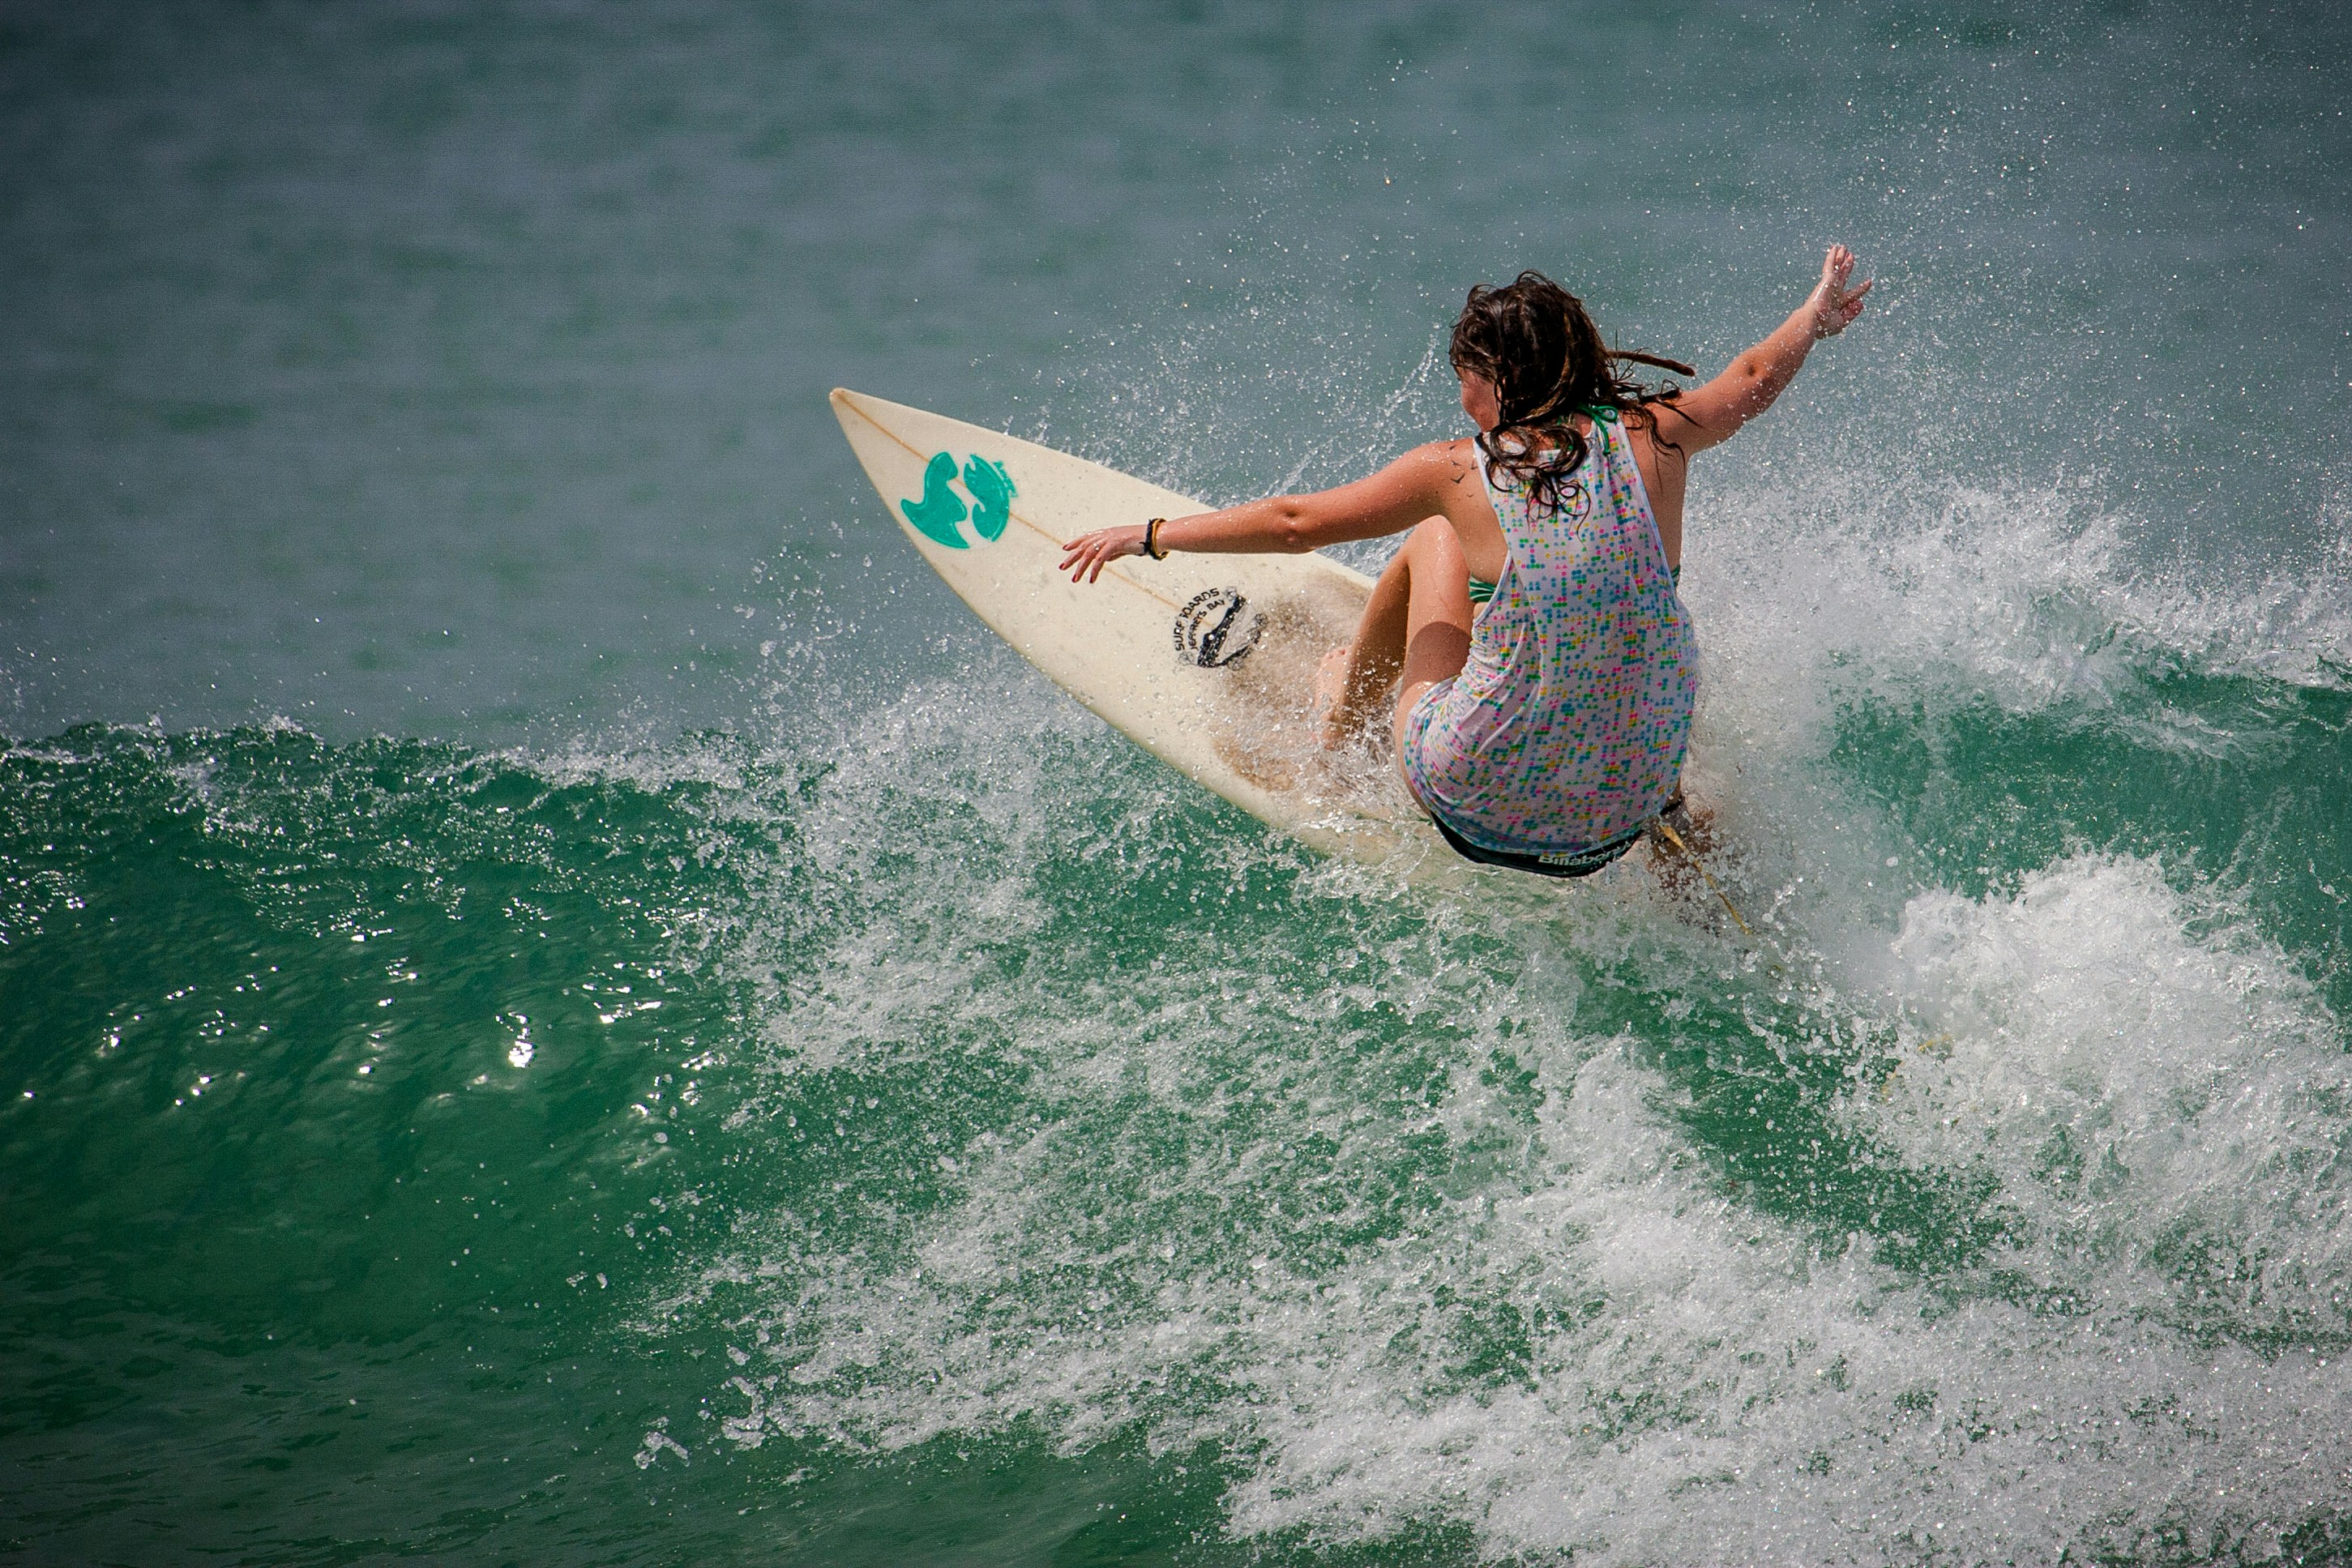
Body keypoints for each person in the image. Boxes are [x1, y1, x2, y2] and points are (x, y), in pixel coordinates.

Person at [1061, 246, 1871, 878]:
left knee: (1432, 542)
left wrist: (1154, 534)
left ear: (1498, 379)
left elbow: (1295, 522)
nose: (1463, 402)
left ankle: (1339, 751)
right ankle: (1672, 846)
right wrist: (1813, 316)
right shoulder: (1659, 432)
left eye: (1467, 380)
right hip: (1616, 826)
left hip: (1475, 805)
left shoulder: (1458, 471)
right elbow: (1755, 377)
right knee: (1622, 637)